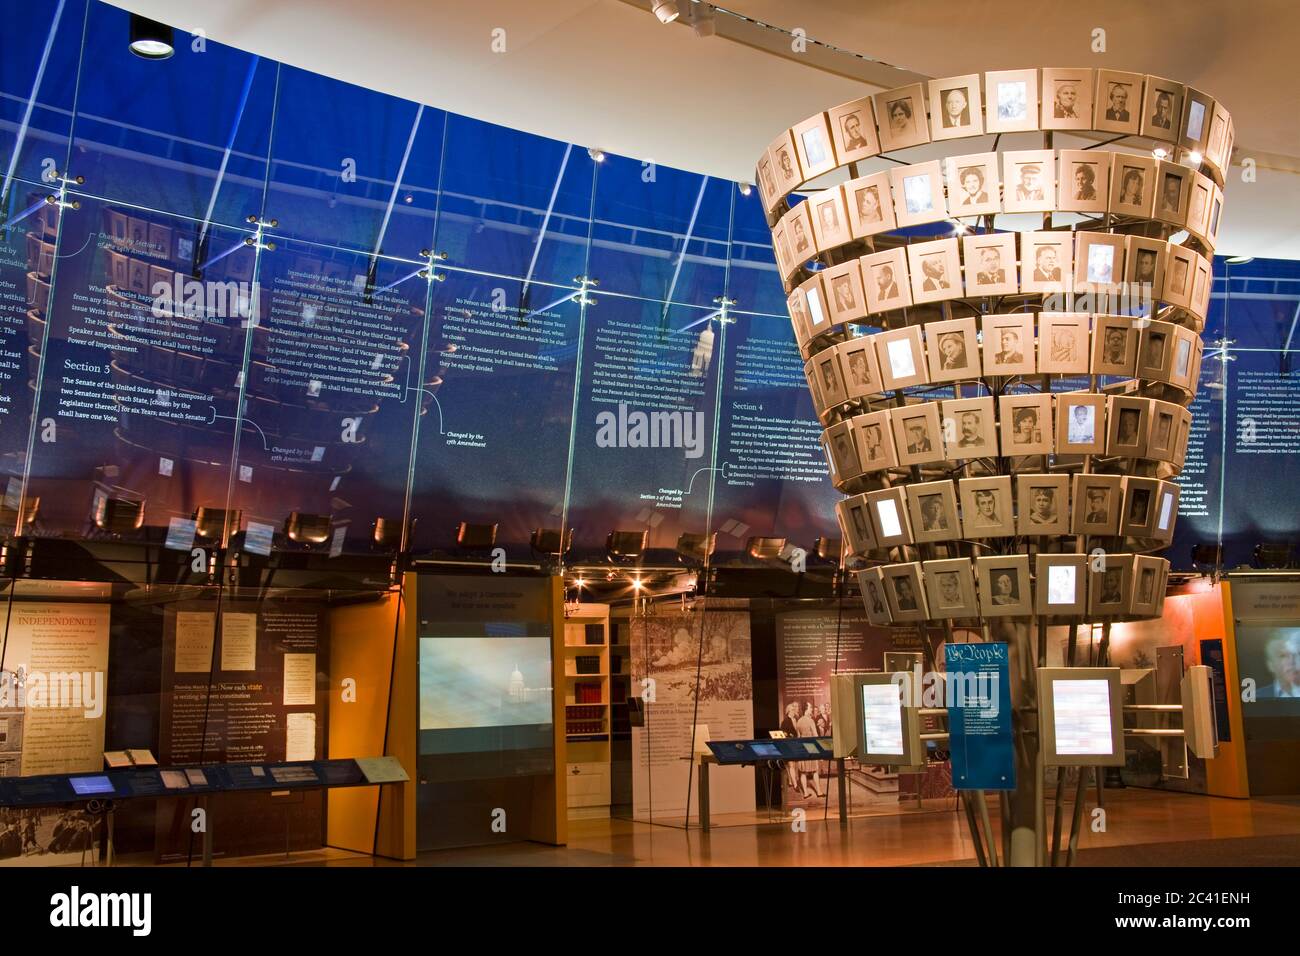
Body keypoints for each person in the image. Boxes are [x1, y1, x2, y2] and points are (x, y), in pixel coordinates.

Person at [795, 703, 825, 798]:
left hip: (802, 747)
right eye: (810, 707)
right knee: (815, 770)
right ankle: (819, 792)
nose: (812, 709)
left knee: (802, 772)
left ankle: (805, 793)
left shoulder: (798, 721)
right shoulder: (811, 721)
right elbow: (816, 736)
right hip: (811, 746)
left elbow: (798, 737)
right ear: (806, 709)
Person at [1259, 632, 1300, 698]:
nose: (1292, 661)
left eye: (1295, 653)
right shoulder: (1257, 696)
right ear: (1271, 665)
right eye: (1283, 656)